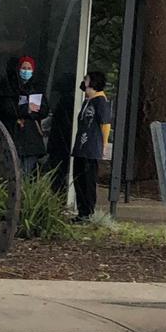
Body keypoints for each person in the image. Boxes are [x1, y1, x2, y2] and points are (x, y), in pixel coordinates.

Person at [0, 54, 49, 176]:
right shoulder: (8, 87)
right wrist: (26, 109)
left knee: (26, 173)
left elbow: (44, 110)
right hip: (13, 135)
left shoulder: (36, 88)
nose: (26, 71)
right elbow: (6, 108)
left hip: (30, 139)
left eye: (29, 68)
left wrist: (32, 111)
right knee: (11, 172)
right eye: (24, 68)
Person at [72, 68, 112, 222]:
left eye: (87, 80)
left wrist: (104, 143)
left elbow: (105, 124)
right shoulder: (87, 101)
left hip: (91, 147)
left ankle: (88, 212)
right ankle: (82, 211)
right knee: (79, 179)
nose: (84, 83)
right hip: (81, 148)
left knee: (88, 181)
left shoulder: (100, 102)